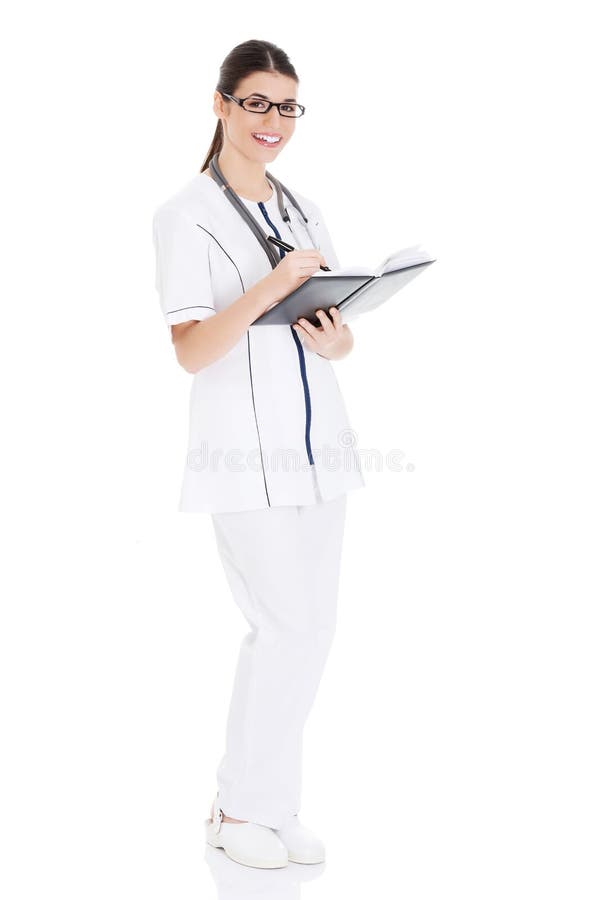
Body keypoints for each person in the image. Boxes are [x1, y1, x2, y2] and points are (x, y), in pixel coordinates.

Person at [152, 39, 365, 869]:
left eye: (286, 106)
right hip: (243, 456)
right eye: (256, 103)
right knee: (281, 629)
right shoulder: (186, 214)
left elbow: (327, 337)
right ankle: (236, 809)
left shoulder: (303, 207)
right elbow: (191, 351)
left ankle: (270, 806)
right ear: (221, 106)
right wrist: (267, 289)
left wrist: (339, 338)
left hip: (320, 450)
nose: (272, 121)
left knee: (311, 631)